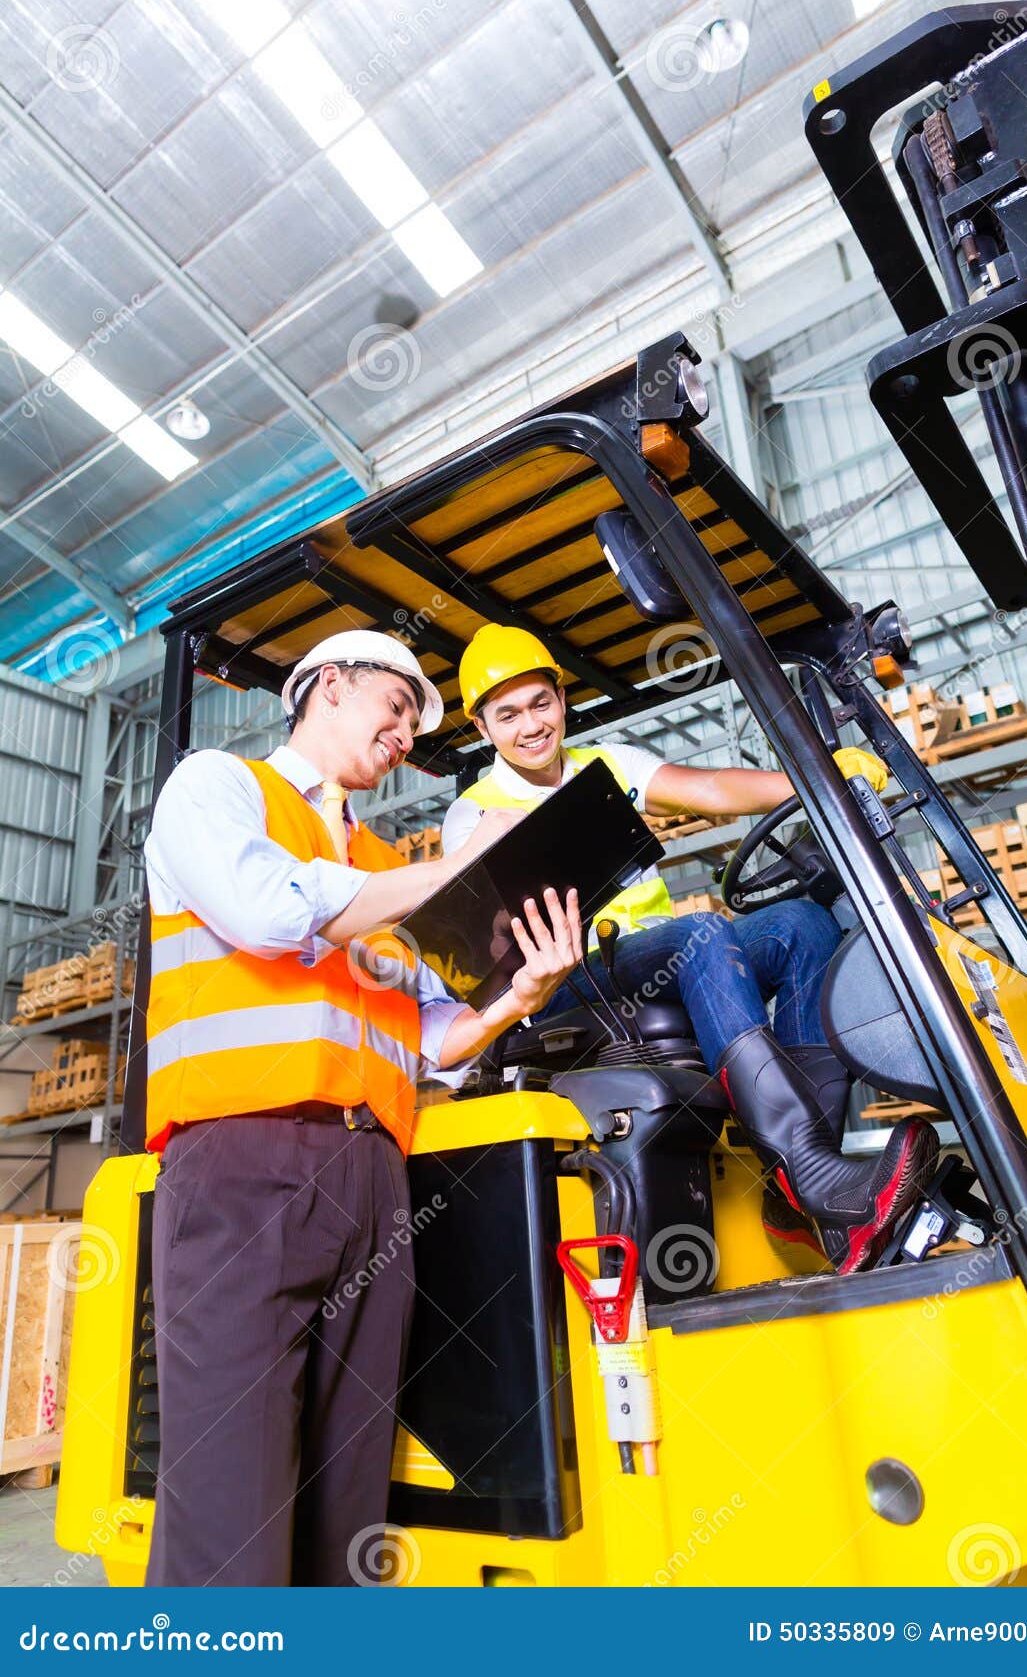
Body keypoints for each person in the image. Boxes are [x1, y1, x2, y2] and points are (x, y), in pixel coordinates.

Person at [142, 629, 582, 1587]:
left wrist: (519, 996)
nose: (406, 735)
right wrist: (466, 870)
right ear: (330, 686)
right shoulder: (219, 789)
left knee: (348, 1510)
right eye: (397, 708)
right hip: (244, 1169)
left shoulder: (384, 860)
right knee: (231, 1514)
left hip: (374, 1183)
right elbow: (264, 910)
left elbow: (431, 1034)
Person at [441, 624, 939, 1275]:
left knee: (802, 924)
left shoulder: (607, 767)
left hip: (647, 956)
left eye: (540, 703)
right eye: (507, 714)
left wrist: (816, 780)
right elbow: (483, 940)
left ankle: (797, 1189)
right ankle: (806, 1170)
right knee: (701, 934)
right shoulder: (476, 811)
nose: (530, 725)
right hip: (566, 977)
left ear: (561, 700)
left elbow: (709, 789)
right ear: (483, 729)